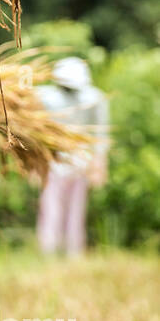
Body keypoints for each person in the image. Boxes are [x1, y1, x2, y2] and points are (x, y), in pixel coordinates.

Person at [36, 57, 110, 255]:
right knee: (52, 207)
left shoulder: (94, 99)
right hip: (55, 161)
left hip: (80, 162)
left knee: (75, 209)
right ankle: (49, 251)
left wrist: (99, 166)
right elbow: (38, 135)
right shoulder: (46, 97)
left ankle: (72, 251)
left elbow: (101, 134)